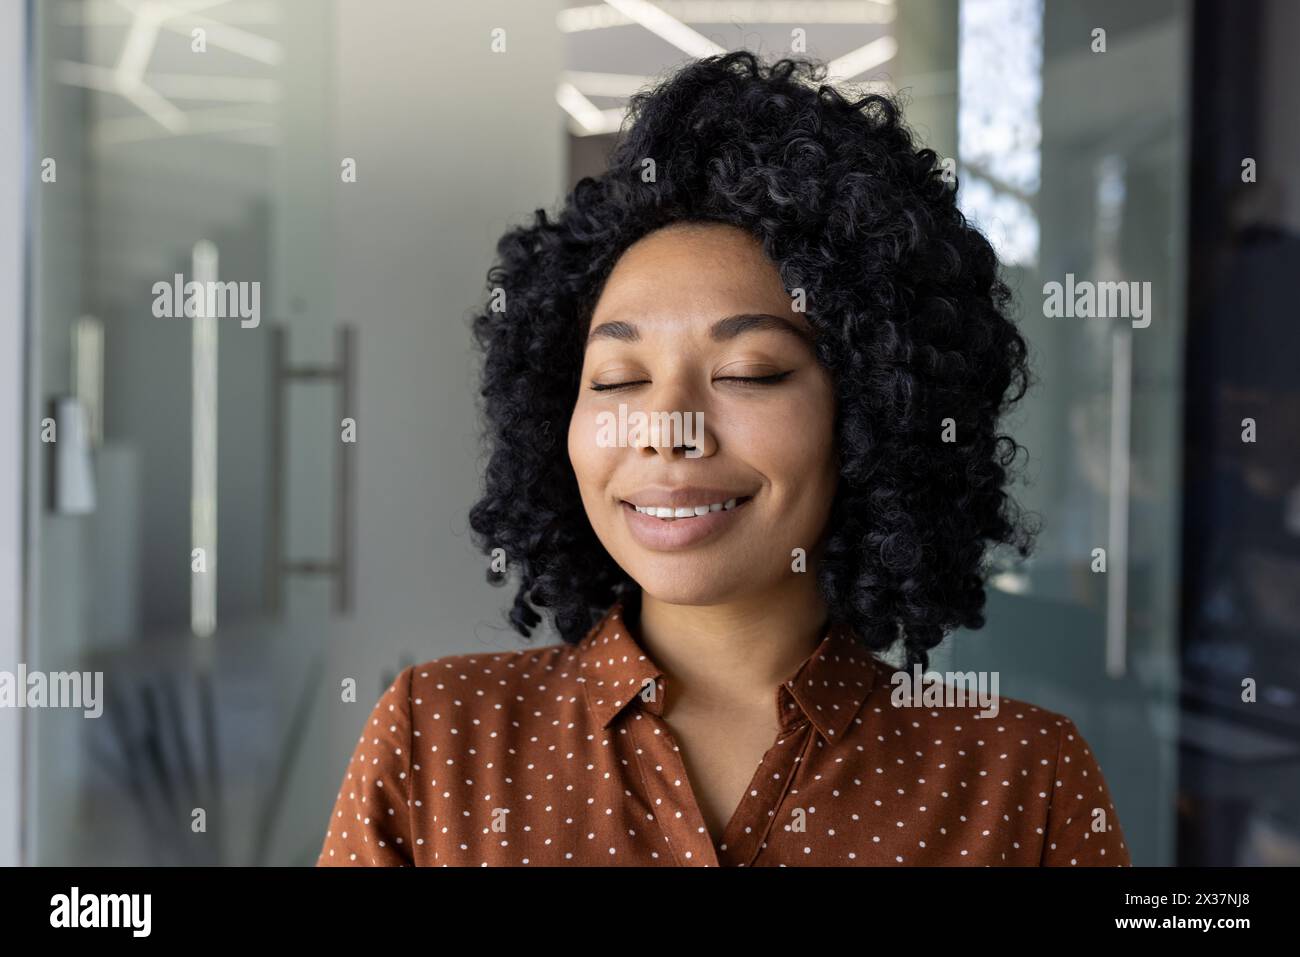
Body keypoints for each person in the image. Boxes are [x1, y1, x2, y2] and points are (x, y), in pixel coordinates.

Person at [318, 51, 1129, 867]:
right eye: (618, 379)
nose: (667, 427)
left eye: (749, 373)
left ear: (878, 409)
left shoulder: (1023, 780)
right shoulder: (437, 739)